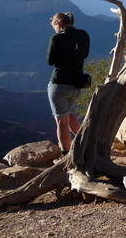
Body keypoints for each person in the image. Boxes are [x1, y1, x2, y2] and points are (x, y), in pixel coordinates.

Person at [46, 12, 90, 153]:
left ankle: (65, 153)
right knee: (68, 114)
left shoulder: (57, 38)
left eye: (54, 26)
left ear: (58, 24)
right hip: (76, 85)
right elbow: (85, 55)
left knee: (61, 121)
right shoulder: (83, 35)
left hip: (59, 85)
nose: (54, 29)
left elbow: (50, 61)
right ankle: (85, 142)